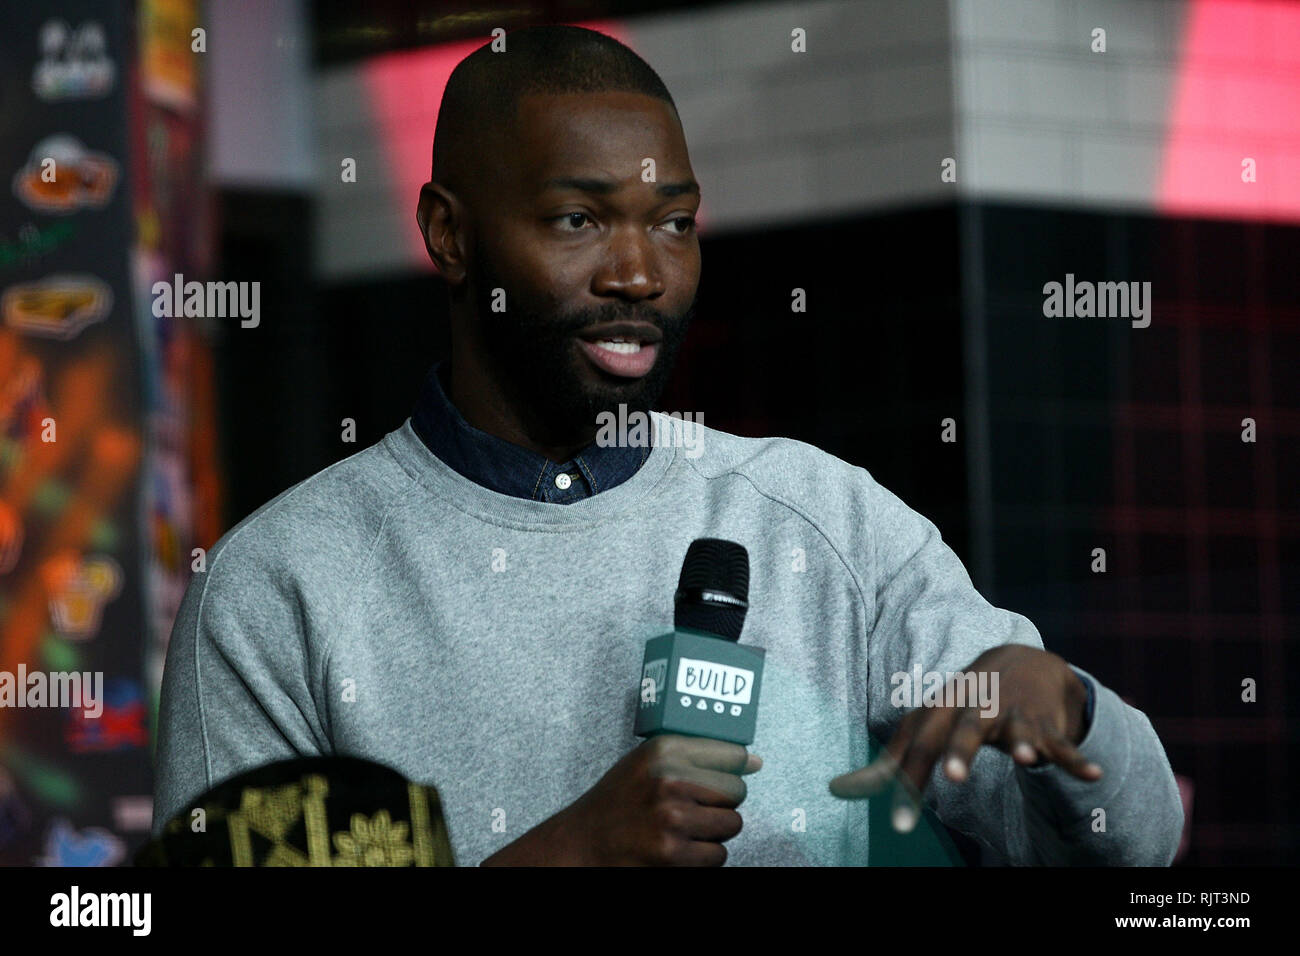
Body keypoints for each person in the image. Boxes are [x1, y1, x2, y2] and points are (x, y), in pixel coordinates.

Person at [153, 24, 1183, 866]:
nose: (639, 272)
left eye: (675, 224)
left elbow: (1136, 845)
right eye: (577, 221)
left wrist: (1068, 707)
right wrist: (562, 857)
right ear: (450, 235)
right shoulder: (281, 585)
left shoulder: (824, 520)